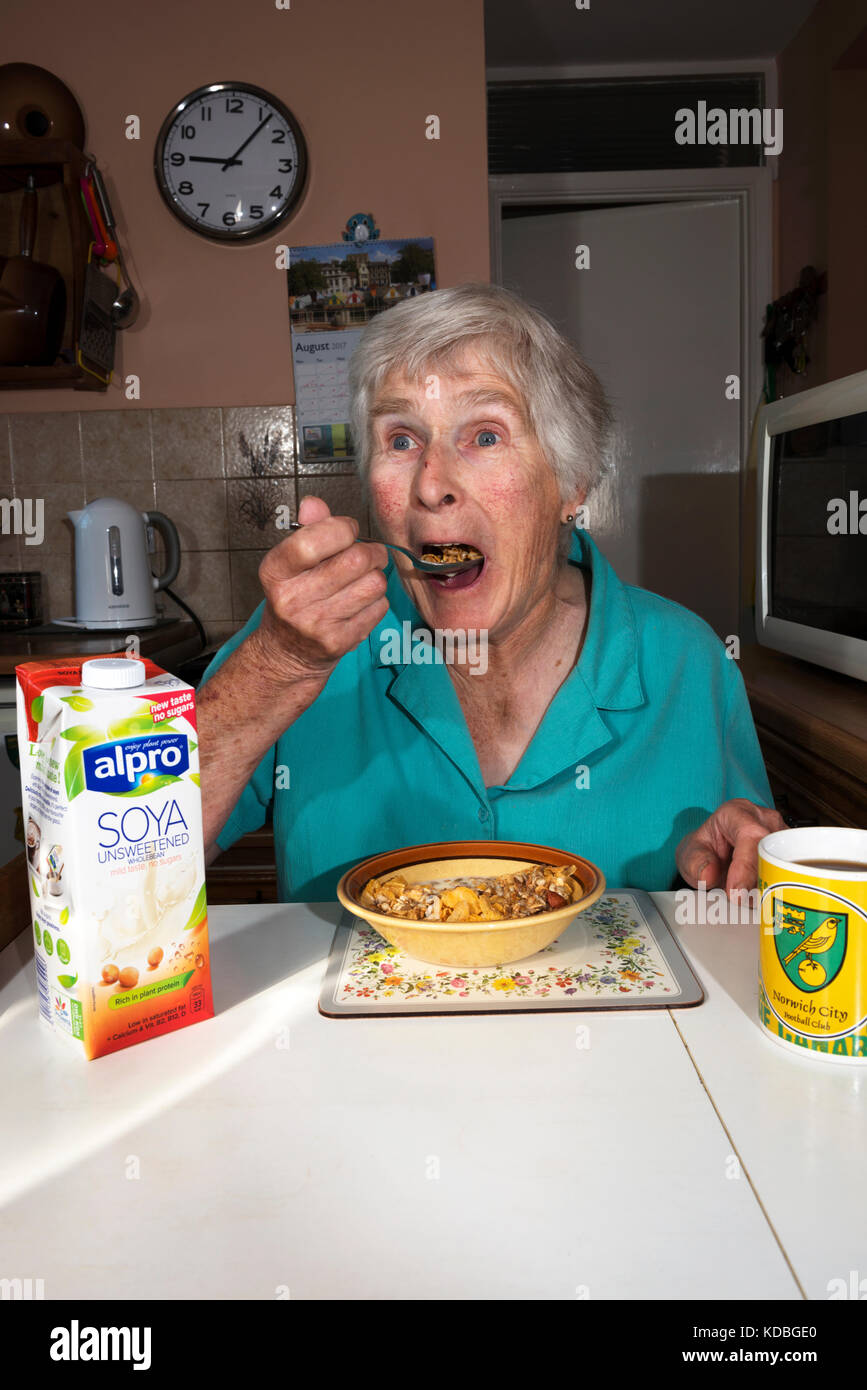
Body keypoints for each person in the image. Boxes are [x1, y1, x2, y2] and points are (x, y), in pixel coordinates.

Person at [197, 282, 783, 901]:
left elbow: (747, 887)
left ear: (573, 482)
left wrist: (719, 880)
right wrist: (275, 668)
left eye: (484, 436)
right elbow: (111, 862)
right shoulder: (304, 640)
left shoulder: (687, 662)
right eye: (401, 439)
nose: (431, 485)